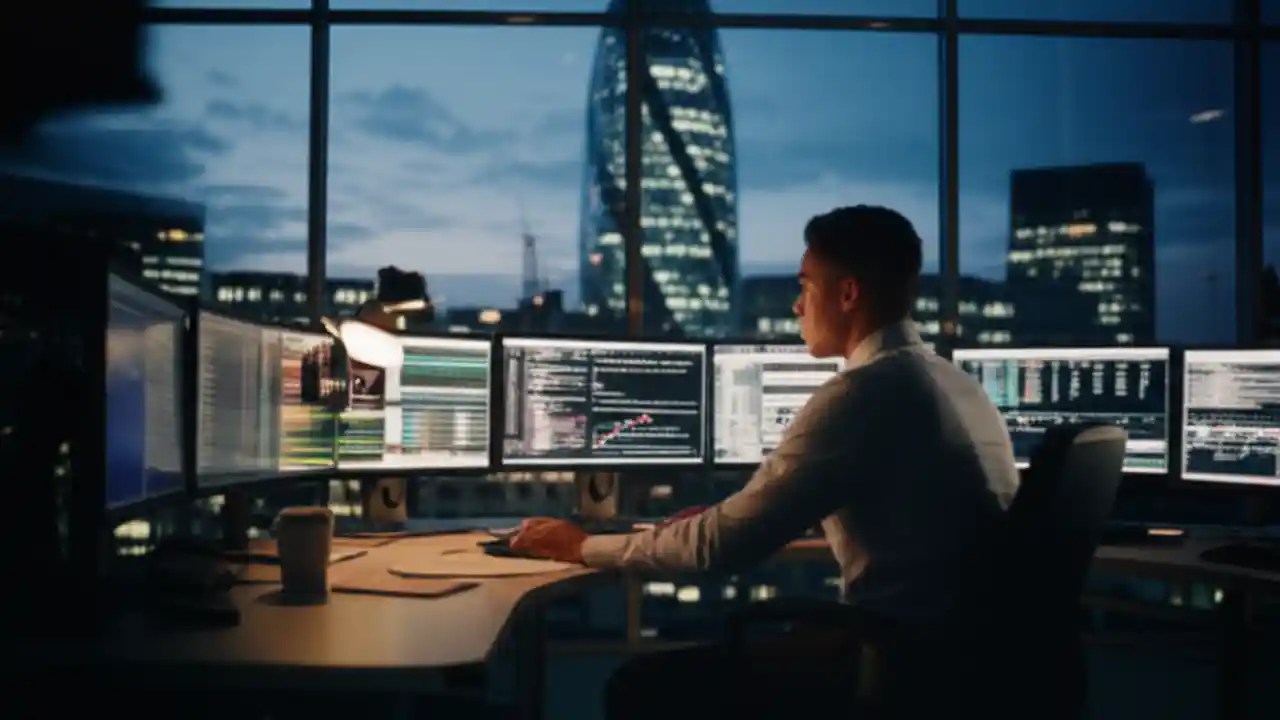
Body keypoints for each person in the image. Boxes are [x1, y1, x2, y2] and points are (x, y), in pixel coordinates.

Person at [511, 205, 1020, 718]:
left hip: (901, 663)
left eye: (805, 287)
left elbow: (722, 548)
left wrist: (581, 545)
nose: (797, 306)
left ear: (847, 294)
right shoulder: (952, 382)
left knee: (638, 687)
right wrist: (725, 518)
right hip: (963, 657)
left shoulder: (864, 394)